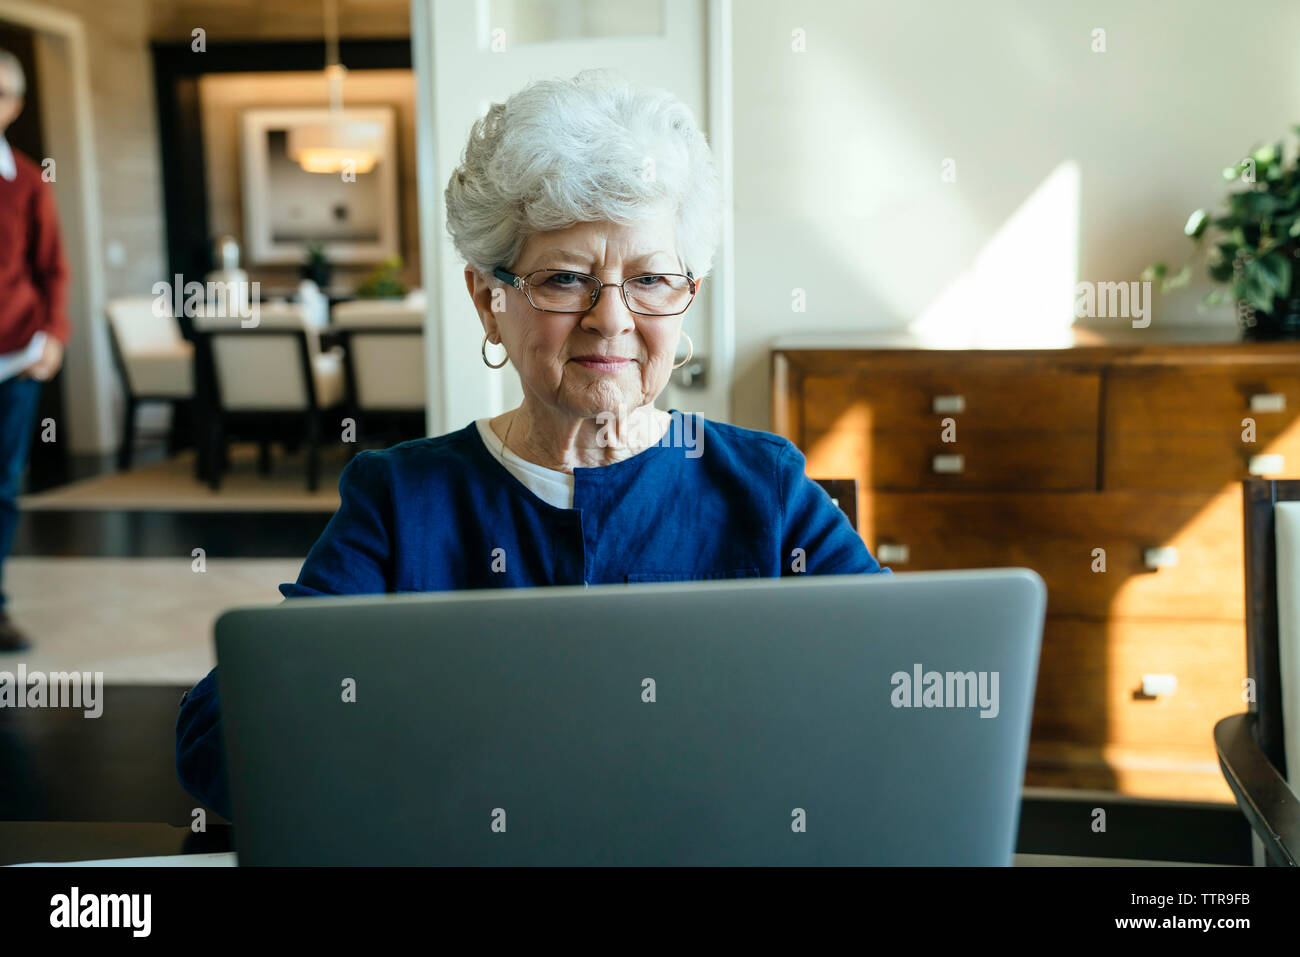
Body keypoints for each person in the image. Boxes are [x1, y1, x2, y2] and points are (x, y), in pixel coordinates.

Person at [175, 70, 889, 820]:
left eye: (649, 279)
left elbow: (893, 689)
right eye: (566, 278)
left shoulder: (765, 487)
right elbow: (220, 743)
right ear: (490, 299)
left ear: (688, 297)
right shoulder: (399, 499)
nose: (611, 319)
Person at [0, 49, 69, 653]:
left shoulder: (26, 179)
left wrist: (52, 339)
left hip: (15, 359)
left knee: (2, 488)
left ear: (14, 105)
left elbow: (53, 268)